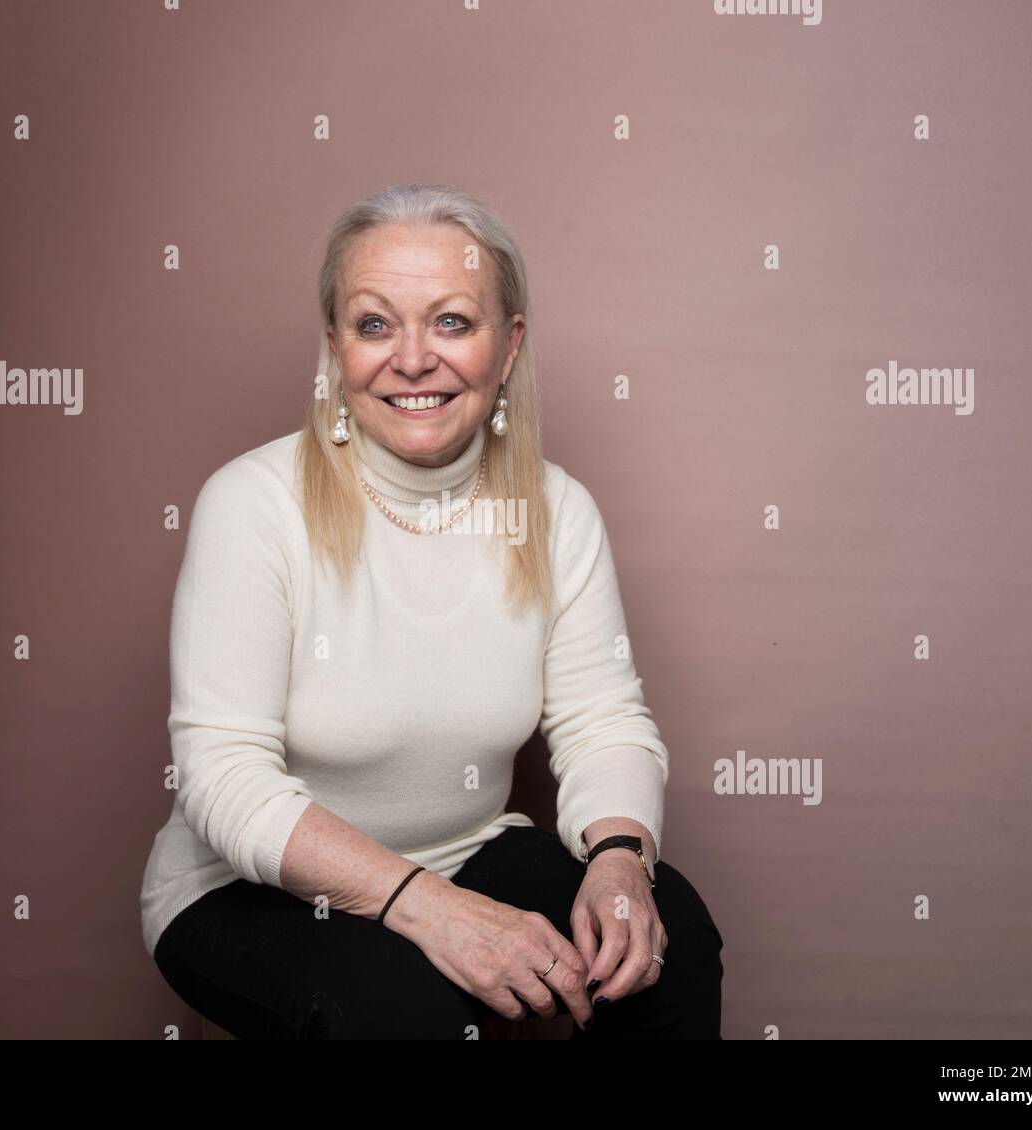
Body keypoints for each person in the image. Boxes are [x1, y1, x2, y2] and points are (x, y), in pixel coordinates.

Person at [140, 183, 724, 1039]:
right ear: (335, 344)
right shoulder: (252, 503)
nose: (413, 359)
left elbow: (603, 722)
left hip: (463, 852)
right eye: (375, 324)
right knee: (394, 1009)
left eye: (452, 321)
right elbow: (223, 779)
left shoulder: (558, 511)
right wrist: (428, 909)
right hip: (246, 890)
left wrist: (619, 860)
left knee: (667, 943)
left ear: (509, 344)